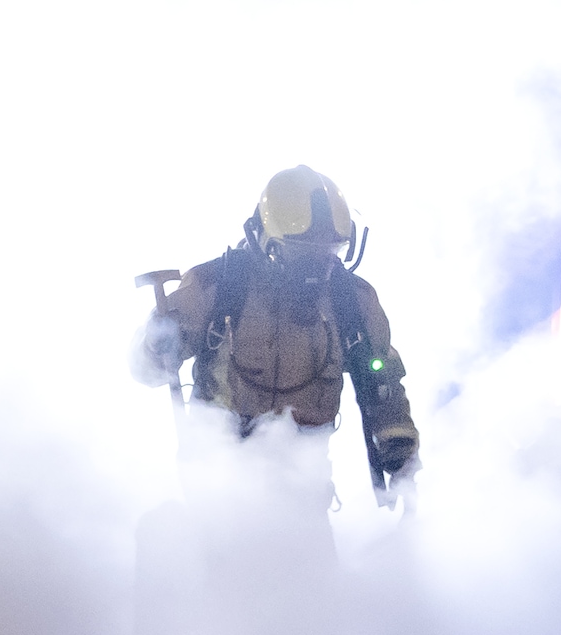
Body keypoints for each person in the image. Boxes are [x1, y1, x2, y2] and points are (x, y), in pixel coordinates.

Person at [134, 167, 420, 506]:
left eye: (330, 252)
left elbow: (382, 383)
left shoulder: (352, 302)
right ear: (265, 239)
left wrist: (399, 452)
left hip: (303, 489)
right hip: (218, 484)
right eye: (301, 252)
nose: (319, 267)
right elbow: (144, 370)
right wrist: (155, 345)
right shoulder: (218, 286)